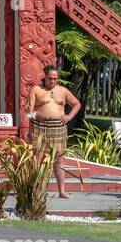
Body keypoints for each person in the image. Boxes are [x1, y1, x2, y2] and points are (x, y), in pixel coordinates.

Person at [25, 64, 81, 198]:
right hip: (39, 126)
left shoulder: (63, 91)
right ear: (45, 76)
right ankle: (36, 189)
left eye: (55, 79)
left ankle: (62, 191)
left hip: (58, 127)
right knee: (38, 158)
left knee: (59, 159)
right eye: (50, 78)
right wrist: (34, 114)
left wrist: (69, 117)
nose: (53, 81)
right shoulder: (36, 90)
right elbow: (28, 113)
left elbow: (77, 104)